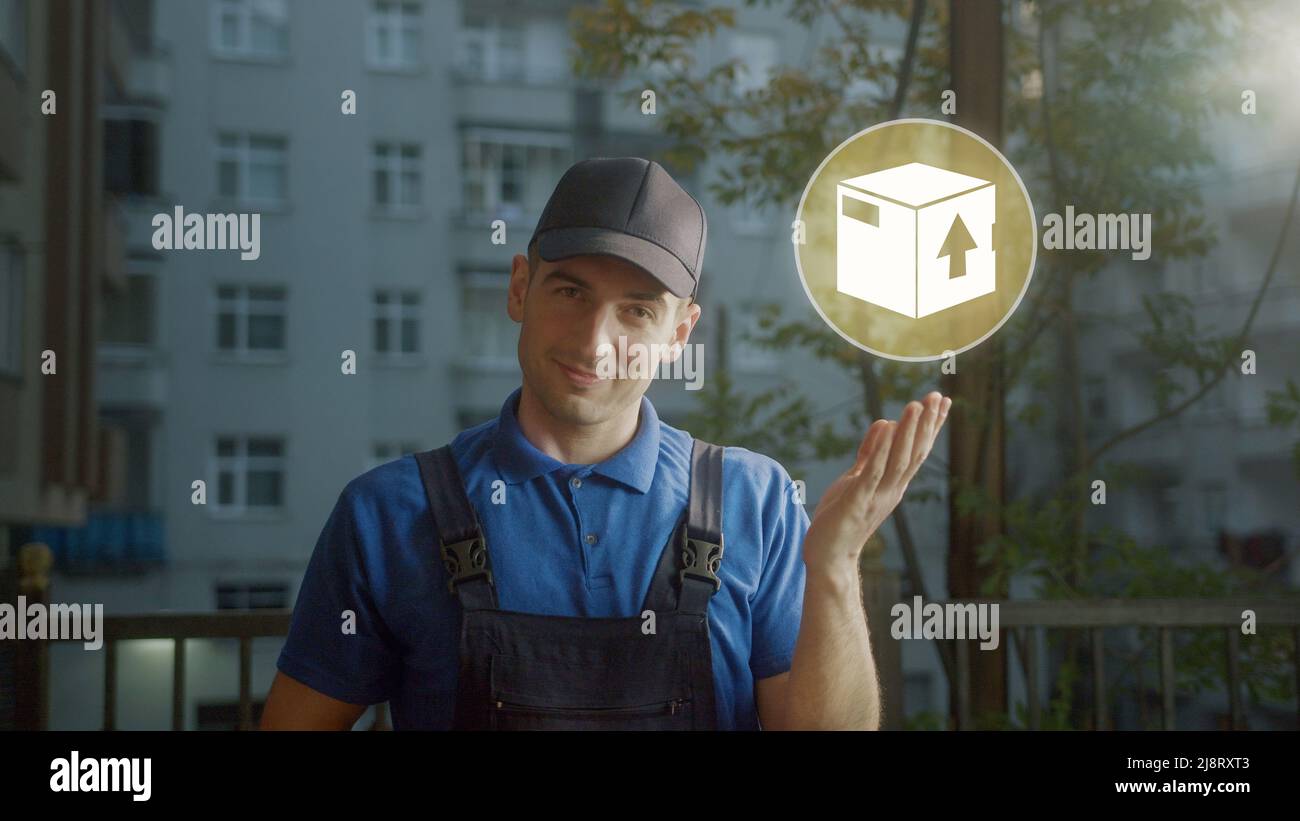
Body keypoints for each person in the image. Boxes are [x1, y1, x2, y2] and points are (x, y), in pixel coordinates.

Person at [259, 156, 950, 730]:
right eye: (570, 292)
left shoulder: (756, 500)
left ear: (679, 334)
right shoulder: (386, 512)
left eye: (637, 311)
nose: (595, 343)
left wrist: (835, 562)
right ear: (520, 289)